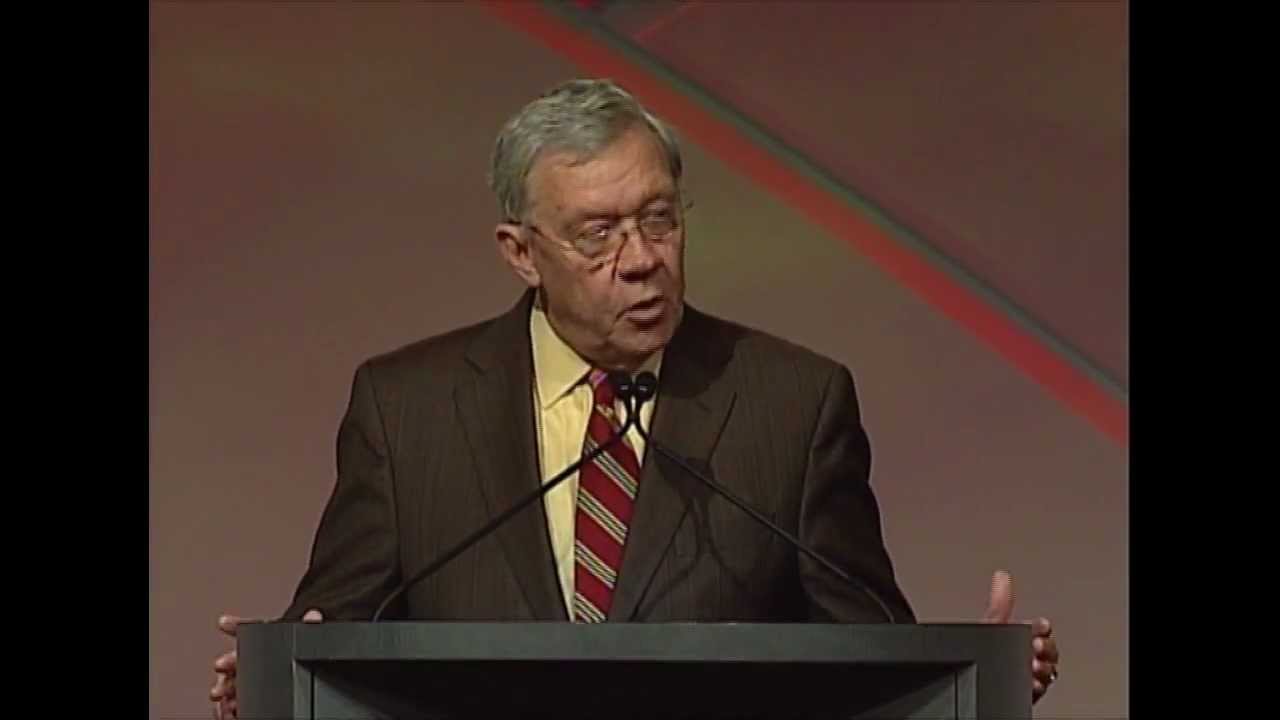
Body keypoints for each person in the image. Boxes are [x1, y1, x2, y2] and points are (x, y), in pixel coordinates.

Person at [209, 78, 1060, 719]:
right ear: (520, 252)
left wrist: (976, 677)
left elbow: (871, 656)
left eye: (659, 219)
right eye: (598, 234)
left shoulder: (792, 405)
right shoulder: (408, 412)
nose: (643, 258)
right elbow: (334, 634)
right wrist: (272, 678)